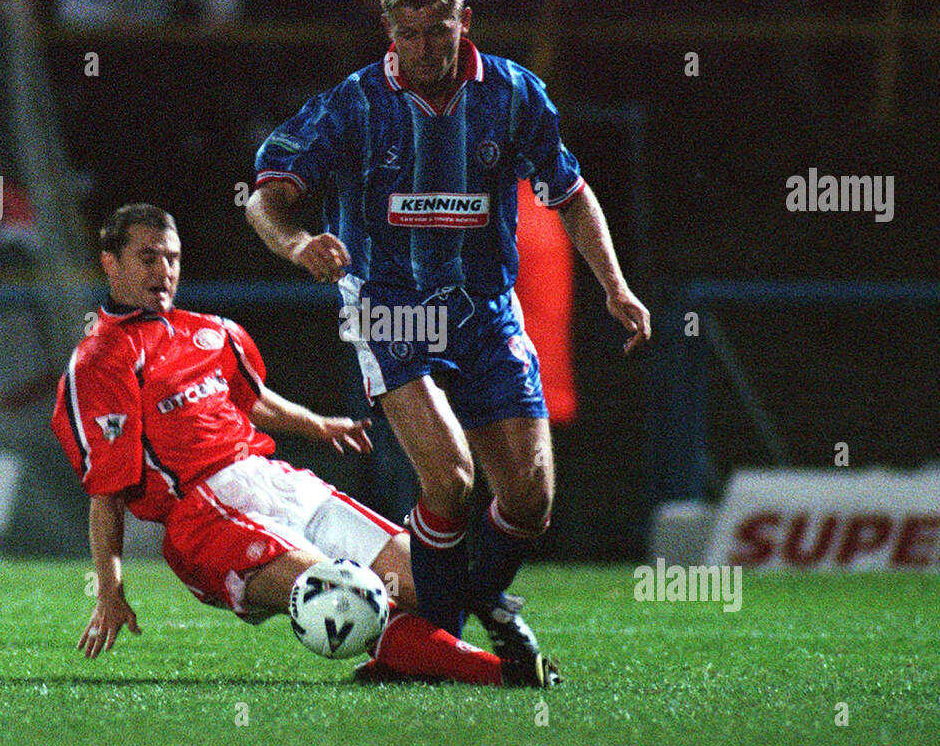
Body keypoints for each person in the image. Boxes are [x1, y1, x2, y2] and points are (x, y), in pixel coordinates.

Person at [246, 0, 651, 665]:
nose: (428, 49)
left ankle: (467, 606)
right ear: (388, 31)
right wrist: (298, 241)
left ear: (465, 21)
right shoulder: (354, 103)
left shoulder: (514, 94)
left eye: (440, 30)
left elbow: (572, 193)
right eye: (412, 34)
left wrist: (615, 285)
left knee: (529, 499)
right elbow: (264, 197)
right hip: (390, 306)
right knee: (452, 478)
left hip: (485, 308)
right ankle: (431, 643)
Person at [51, 203, 559, 687]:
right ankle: (503, 673)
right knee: (345, 601)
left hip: (275, 480)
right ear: (110, 263)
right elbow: (107, 491)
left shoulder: (214, 332)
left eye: (172, 258)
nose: (163, 270)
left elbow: (252, 401)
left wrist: (319, 424)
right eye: (148, 258)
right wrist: (110, 589)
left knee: (428, 583)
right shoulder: (100, 361)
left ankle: (408, 658)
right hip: (202, 518)